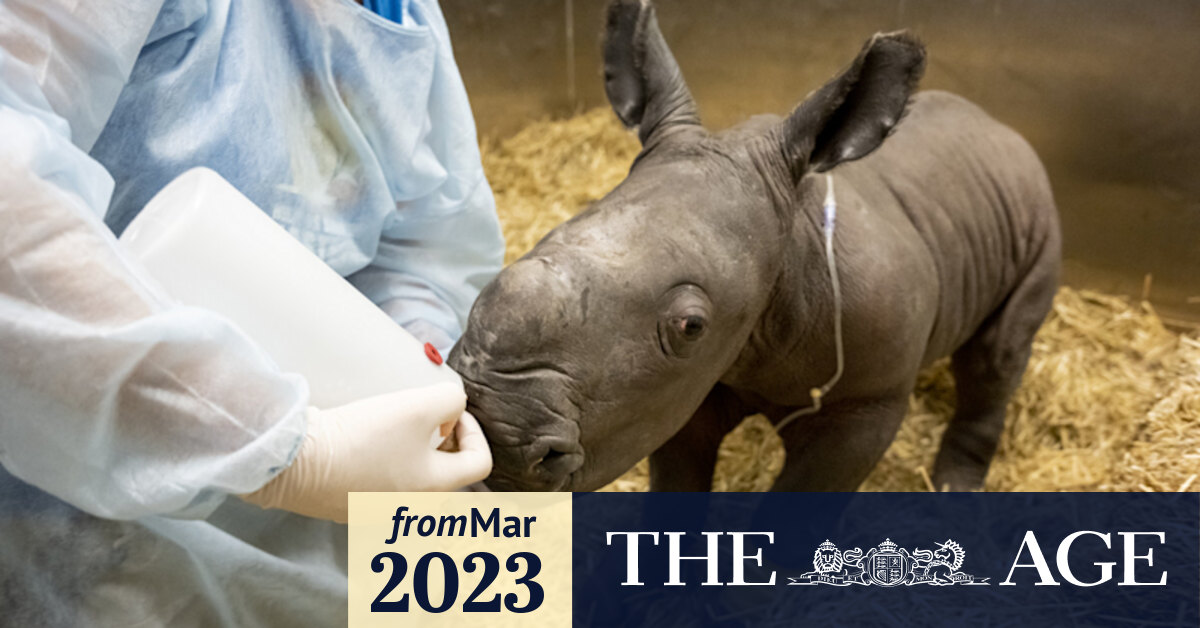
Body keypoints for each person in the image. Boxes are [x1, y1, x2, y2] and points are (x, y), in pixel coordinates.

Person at [0, 0, 504, 625]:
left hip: (333, 483)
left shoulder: (404, 16)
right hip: (75, 510)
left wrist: (410, 361)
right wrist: (286, 453)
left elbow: (425, 235)